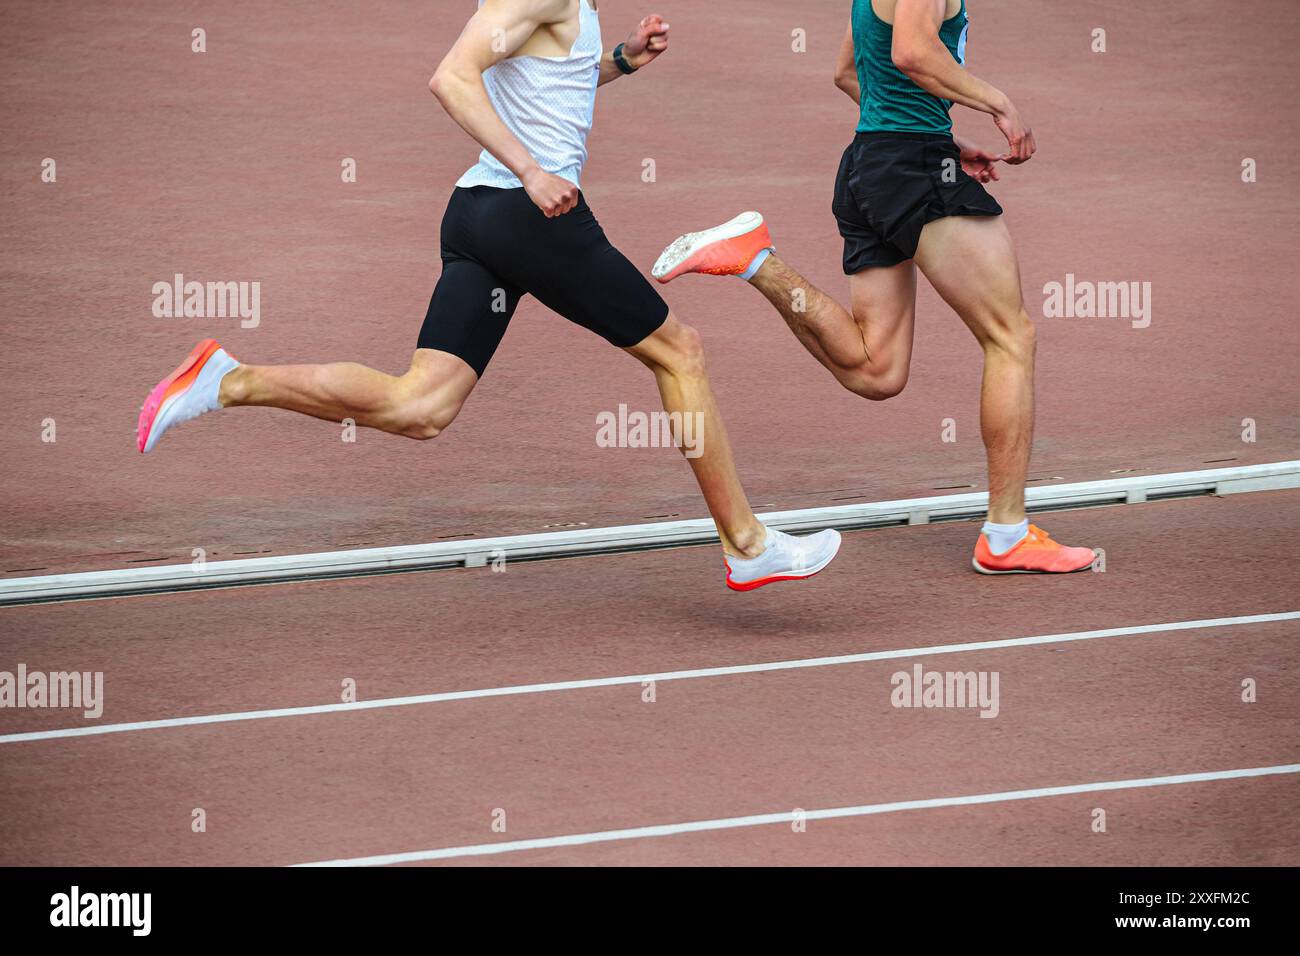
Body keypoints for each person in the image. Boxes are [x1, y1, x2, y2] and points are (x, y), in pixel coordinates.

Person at [135, 0, 841, 591]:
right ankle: (747, 544)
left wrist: (620, 61)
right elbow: (452, 77)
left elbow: (544, 83)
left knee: (422, 406)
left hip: (481, 216)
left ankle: (227, 380)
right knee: (679, 352)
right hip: (527, 215)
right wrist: (533, 171)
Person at [652, 0, 1095, 574]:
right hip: (912, 170)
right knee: (1011, 337)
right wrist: (998, 103)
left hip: (870, 164)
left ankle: (756, 260)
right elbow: (912, 52)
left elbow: (850, 72)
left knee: (875, 370)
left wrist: (946, 139)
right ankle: (1006, 534)